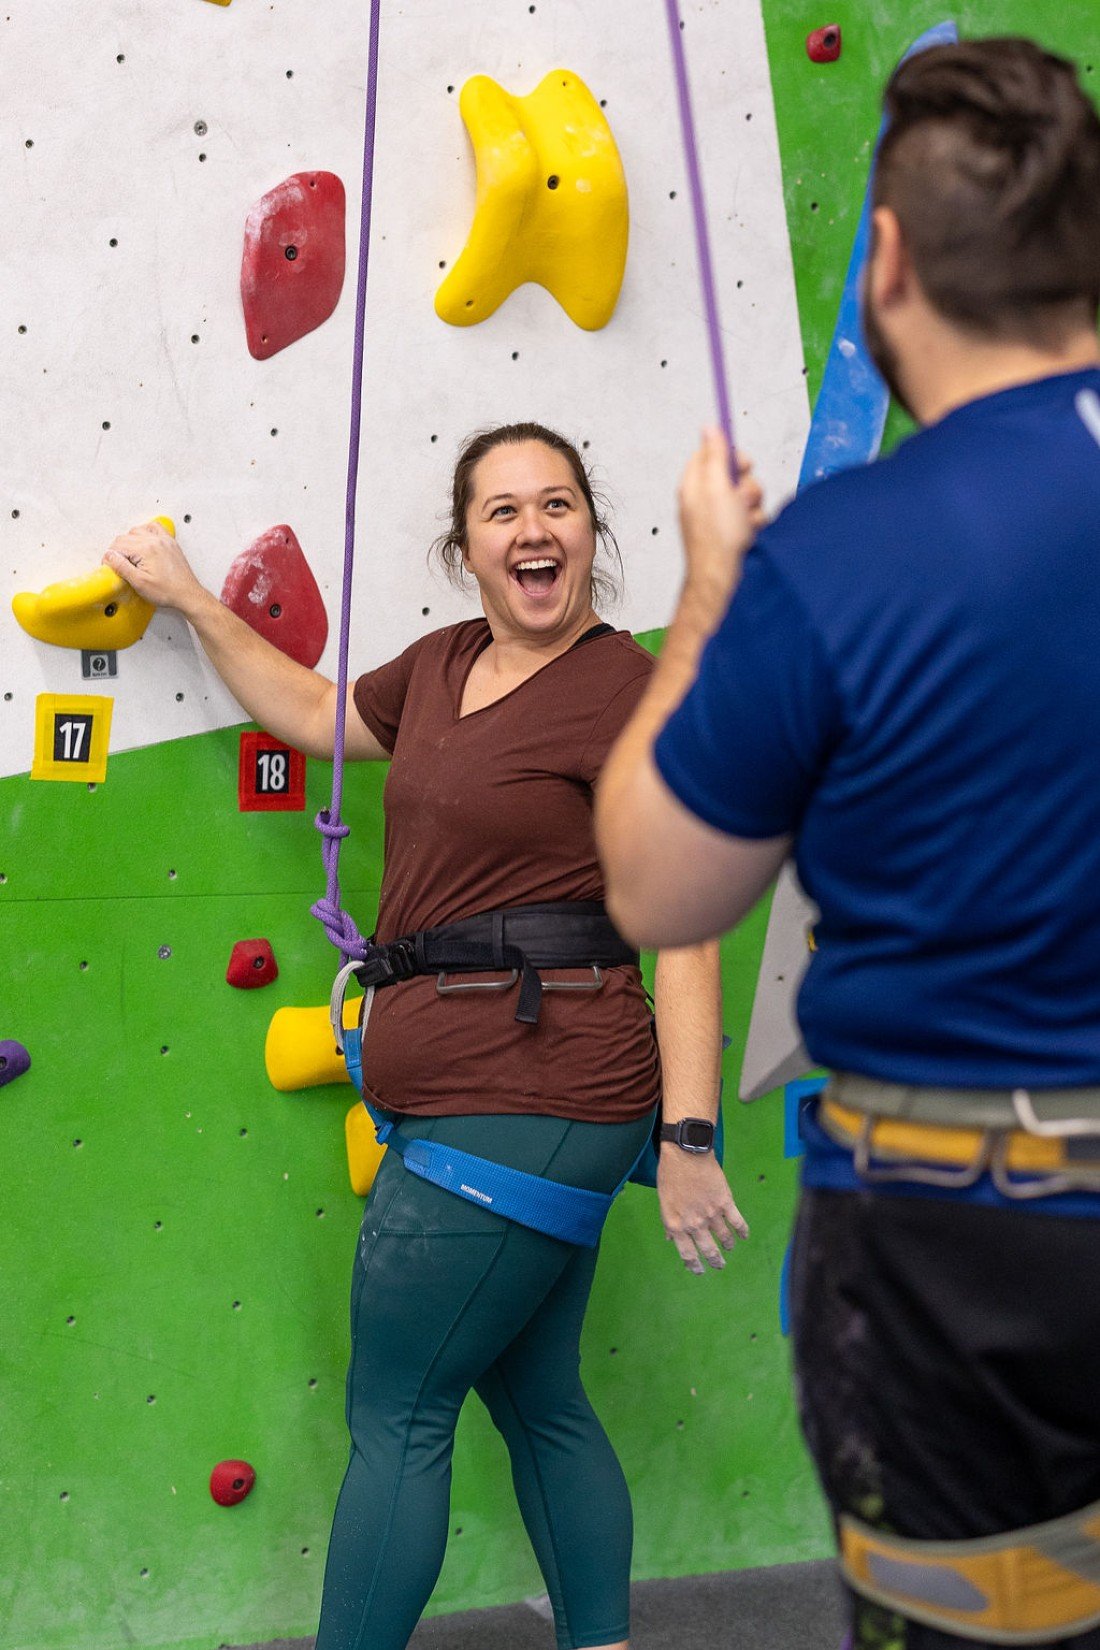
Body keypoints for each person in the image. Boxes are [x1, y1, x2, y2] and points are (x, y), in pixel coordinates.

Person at [595, 37, 1100, 1650]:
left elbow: (660, 888)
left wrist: (707, 599)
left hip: (976, 1250)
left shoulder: (844, 553)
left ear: (886, 263)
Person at [104, 421, 750, 1650]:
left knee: (396, 1409)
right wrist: (186, 599)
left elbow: (687, 930)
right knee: (537, 1392)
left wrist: (688, 1134)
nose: (531, 530)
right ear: (464, 545)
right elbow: (310, 710)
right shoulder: (442, 666)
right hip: (465, 1092)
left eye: (555, 506)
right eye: (501, 511)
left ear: (592, 534)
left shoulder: (631, 697)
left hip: (540, 1086)